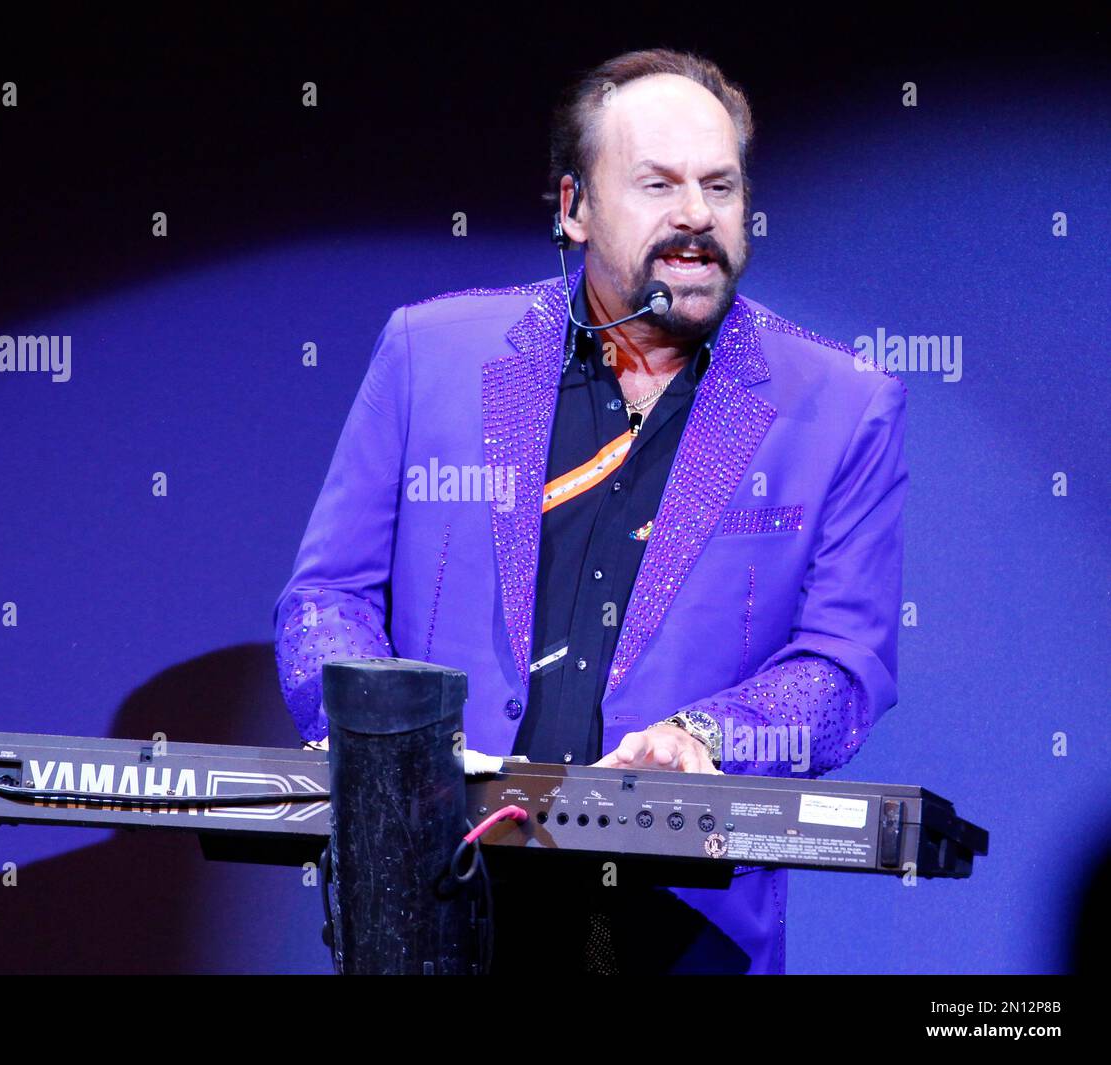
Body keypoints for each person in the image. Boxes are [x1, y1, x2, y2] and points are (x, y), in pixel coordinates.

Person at [273, 48, 907, 973]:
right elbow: (326, 600)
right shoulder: (430, 352)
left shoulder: (846, 403)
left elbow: (846, 667)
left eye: (720, 187)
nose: (696, 214)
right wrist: (393, 749)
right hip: (432, 902)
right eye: (657, 184)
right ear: (574, 208)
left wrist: (706, 740)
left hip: (680, 923)